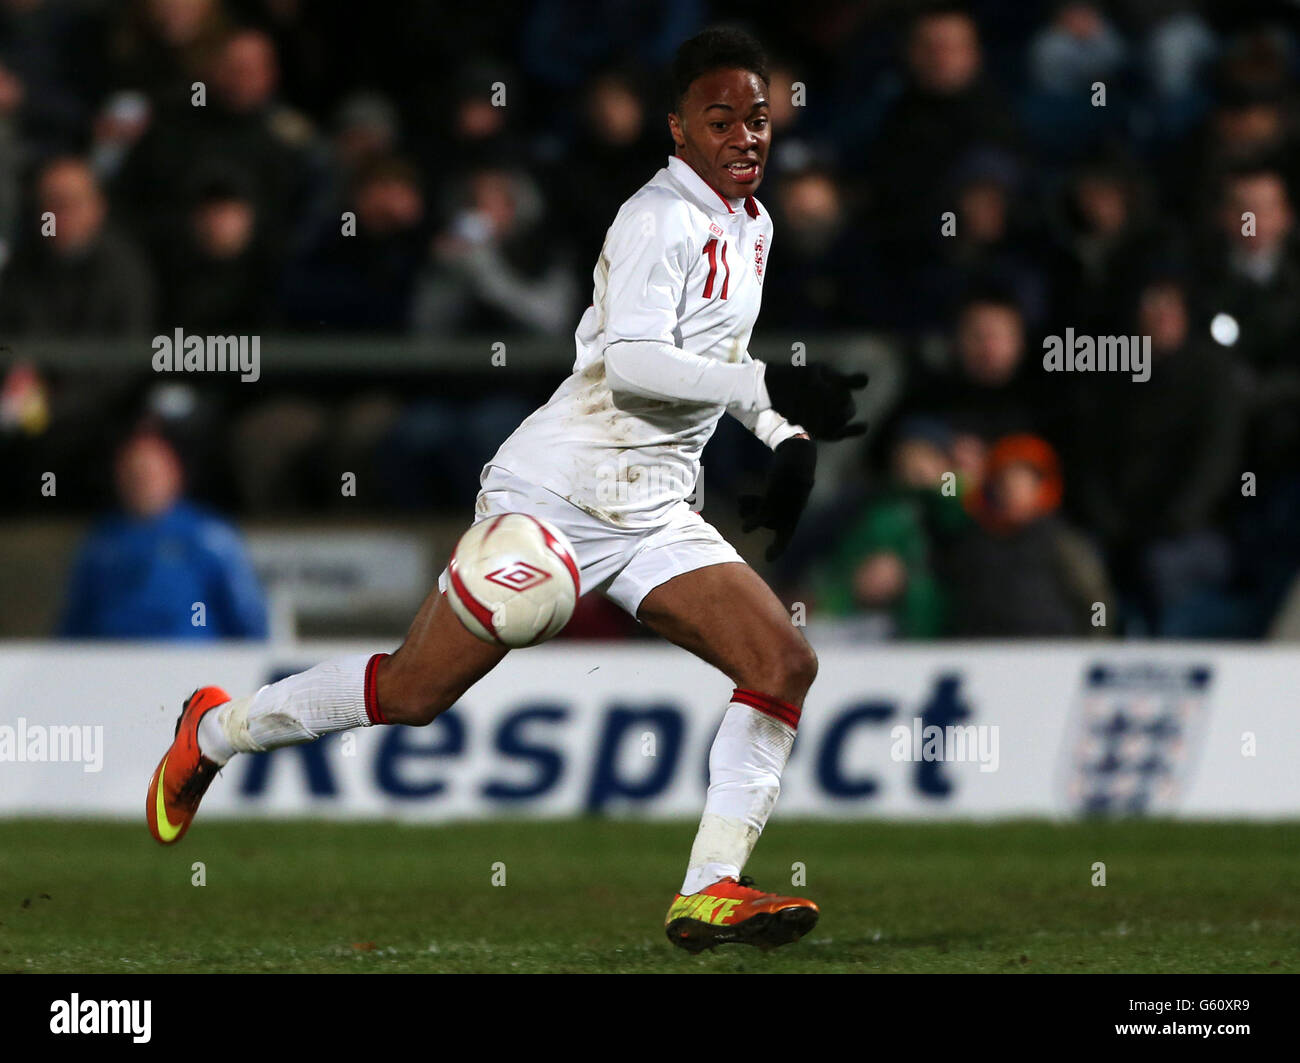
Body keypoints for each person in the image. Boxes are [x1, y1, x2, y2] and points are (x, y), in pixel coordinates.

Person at [145, 29, 867, 955]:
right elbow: (638, 363)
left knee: (782, 666)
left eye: (758, 118)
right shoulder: (657, 217)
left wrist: (782, 434)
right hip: (558, 490)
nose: (744, 136)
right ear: (677, 127)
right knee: (412, 694)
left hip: (653, 507)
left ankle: (709, 888)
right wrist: (763, 391)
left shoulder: (753, 225)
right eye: (720, 118)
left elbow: (716, 359)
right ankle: (215, 731)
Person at [60, 429, 268, 640]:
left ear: (173, 473)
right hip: (112, 662)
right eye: (133, 474)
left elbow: (247, 617)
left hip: (192, 662)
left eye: (150, 474)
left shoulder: (209, 537)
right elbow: (76, 620)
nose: (141, 482)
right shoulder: (102, 542)